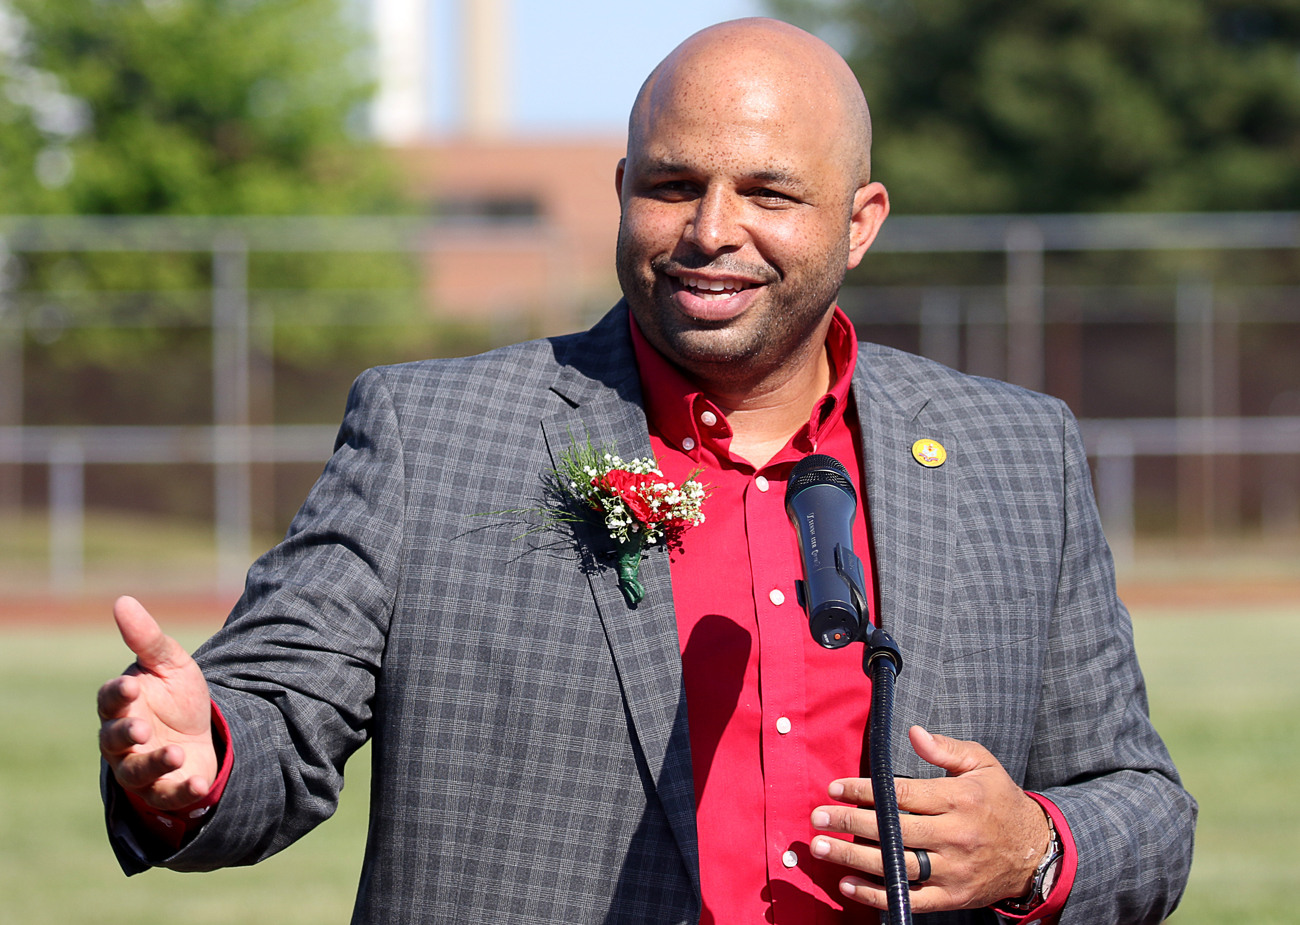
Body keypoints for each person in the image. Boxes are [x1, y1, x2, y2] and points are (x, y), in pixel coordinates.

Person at [97, 18, 1195, 925]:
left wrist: (1035, 849)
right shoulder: (433, 432)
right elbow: (275, 718)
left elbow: (1142, 807)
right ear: (622, 187)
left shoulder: (1014, 450)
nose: (712, 230)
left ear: (860, 222)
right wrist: (200, 756)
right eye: (673, 185)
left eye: (769, 193)